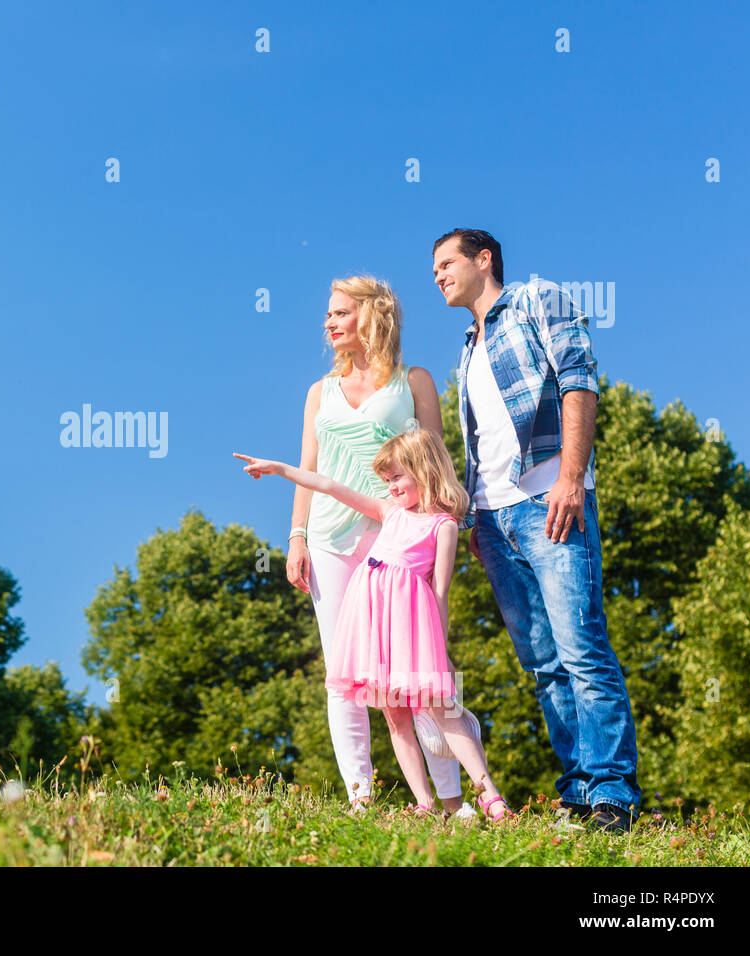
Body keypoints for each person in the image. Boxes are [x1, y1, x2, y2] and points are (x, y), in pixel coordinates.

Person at [431, 228, 641, 832]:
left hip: (549, 500)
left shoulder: (536, 299)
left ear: (483, 259)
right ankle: (577, 788)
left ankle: (612, 794)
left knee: (582, 647)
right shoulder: (467, 348)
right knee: (543, 662)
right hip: (495, 521)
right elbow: (481, 446)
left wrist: (571, 477)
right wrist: (474, 520)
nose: (439, 275)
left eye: (447, 263)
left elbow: (577, 378)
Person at [235, 428, 511, 822]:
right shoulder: (389, 512)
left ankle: (491, 797)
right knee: (395, 718)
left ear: (424, 469)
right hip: (372, 623)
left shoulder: (444, 526)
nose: (391, 486)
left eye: (398, 476)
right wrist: (280, 469)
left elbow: (440, 592)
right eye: (388, 480)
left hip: (410, 628)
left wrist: (442, 654)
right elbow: (329, 485)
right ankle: (424, 805)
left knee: (442, 712)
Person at [286, 276, 469, 816]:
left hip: (401, 539)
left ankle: (453, 800)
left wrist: (453, 526)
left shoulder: (415, 382)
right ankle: (360, 796)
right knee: (343, 673)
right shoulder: (319, 392)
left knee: (420, 672)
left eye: (341, 311)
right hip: (330, 542)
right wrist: (297, 537)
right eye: (328, 313)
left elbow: (435, 463)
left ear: (373, 315)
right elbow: (308, 469)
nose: (329, 321)